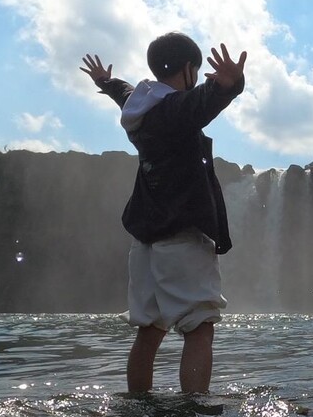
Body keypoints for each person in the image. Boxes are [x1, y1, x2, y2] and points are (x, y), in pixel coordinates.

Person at [81, 33, 247, 395]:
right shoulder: (175, 110)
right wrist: (232, 86)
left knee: (150, 329)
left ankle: (138, 408)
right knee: (200, 327)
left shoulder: (141, 105)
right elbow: (202, 102)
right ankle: (196, 414)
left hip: (145, 239)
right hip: (182, 236)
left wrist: (105, 82)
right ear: (189, 69)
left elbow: (124, 92)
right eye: (197, 70)